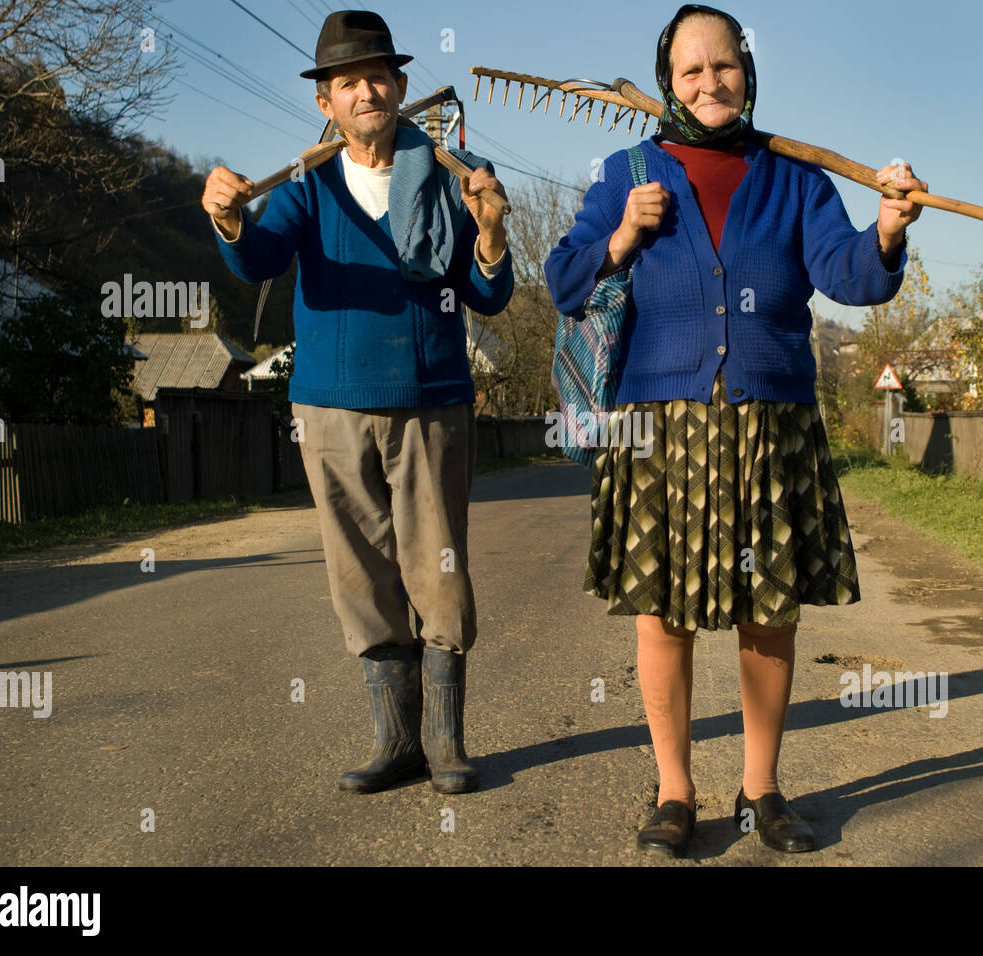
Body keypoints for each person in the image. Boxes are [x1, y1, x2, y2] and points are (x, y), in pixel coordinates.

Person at [544, 3, 925, 857]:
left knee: (771, 613)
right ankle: (674, 792)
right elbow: (565, 282)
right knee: (662, 615)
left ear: (747, 75)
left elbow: (848, 274)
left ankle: (761, 791)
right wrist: (621, 236)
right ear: (668, 82)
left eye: (725, 66)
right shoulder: (625, 171)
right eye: (691, 70)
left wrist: (890, 228)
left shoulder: (795, 176)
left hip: (771, 423)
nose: (710, 82)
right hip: (659, 426)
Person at [201, 10, 513, 796]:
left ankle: (445, 746)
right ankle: (395, 743)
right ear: (325, 104)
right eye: (348, 83)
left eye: (377, 77)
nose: (366, 91)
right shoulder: (309, 186)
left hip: (430, 400)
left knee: (437, 574)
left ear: (401, 88)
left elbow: (487, 294)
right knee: (361, 576)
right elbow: (259, 258)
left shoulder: (449, 173)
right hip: (331, 411)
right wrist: (228, 216)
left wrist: (491, 234)